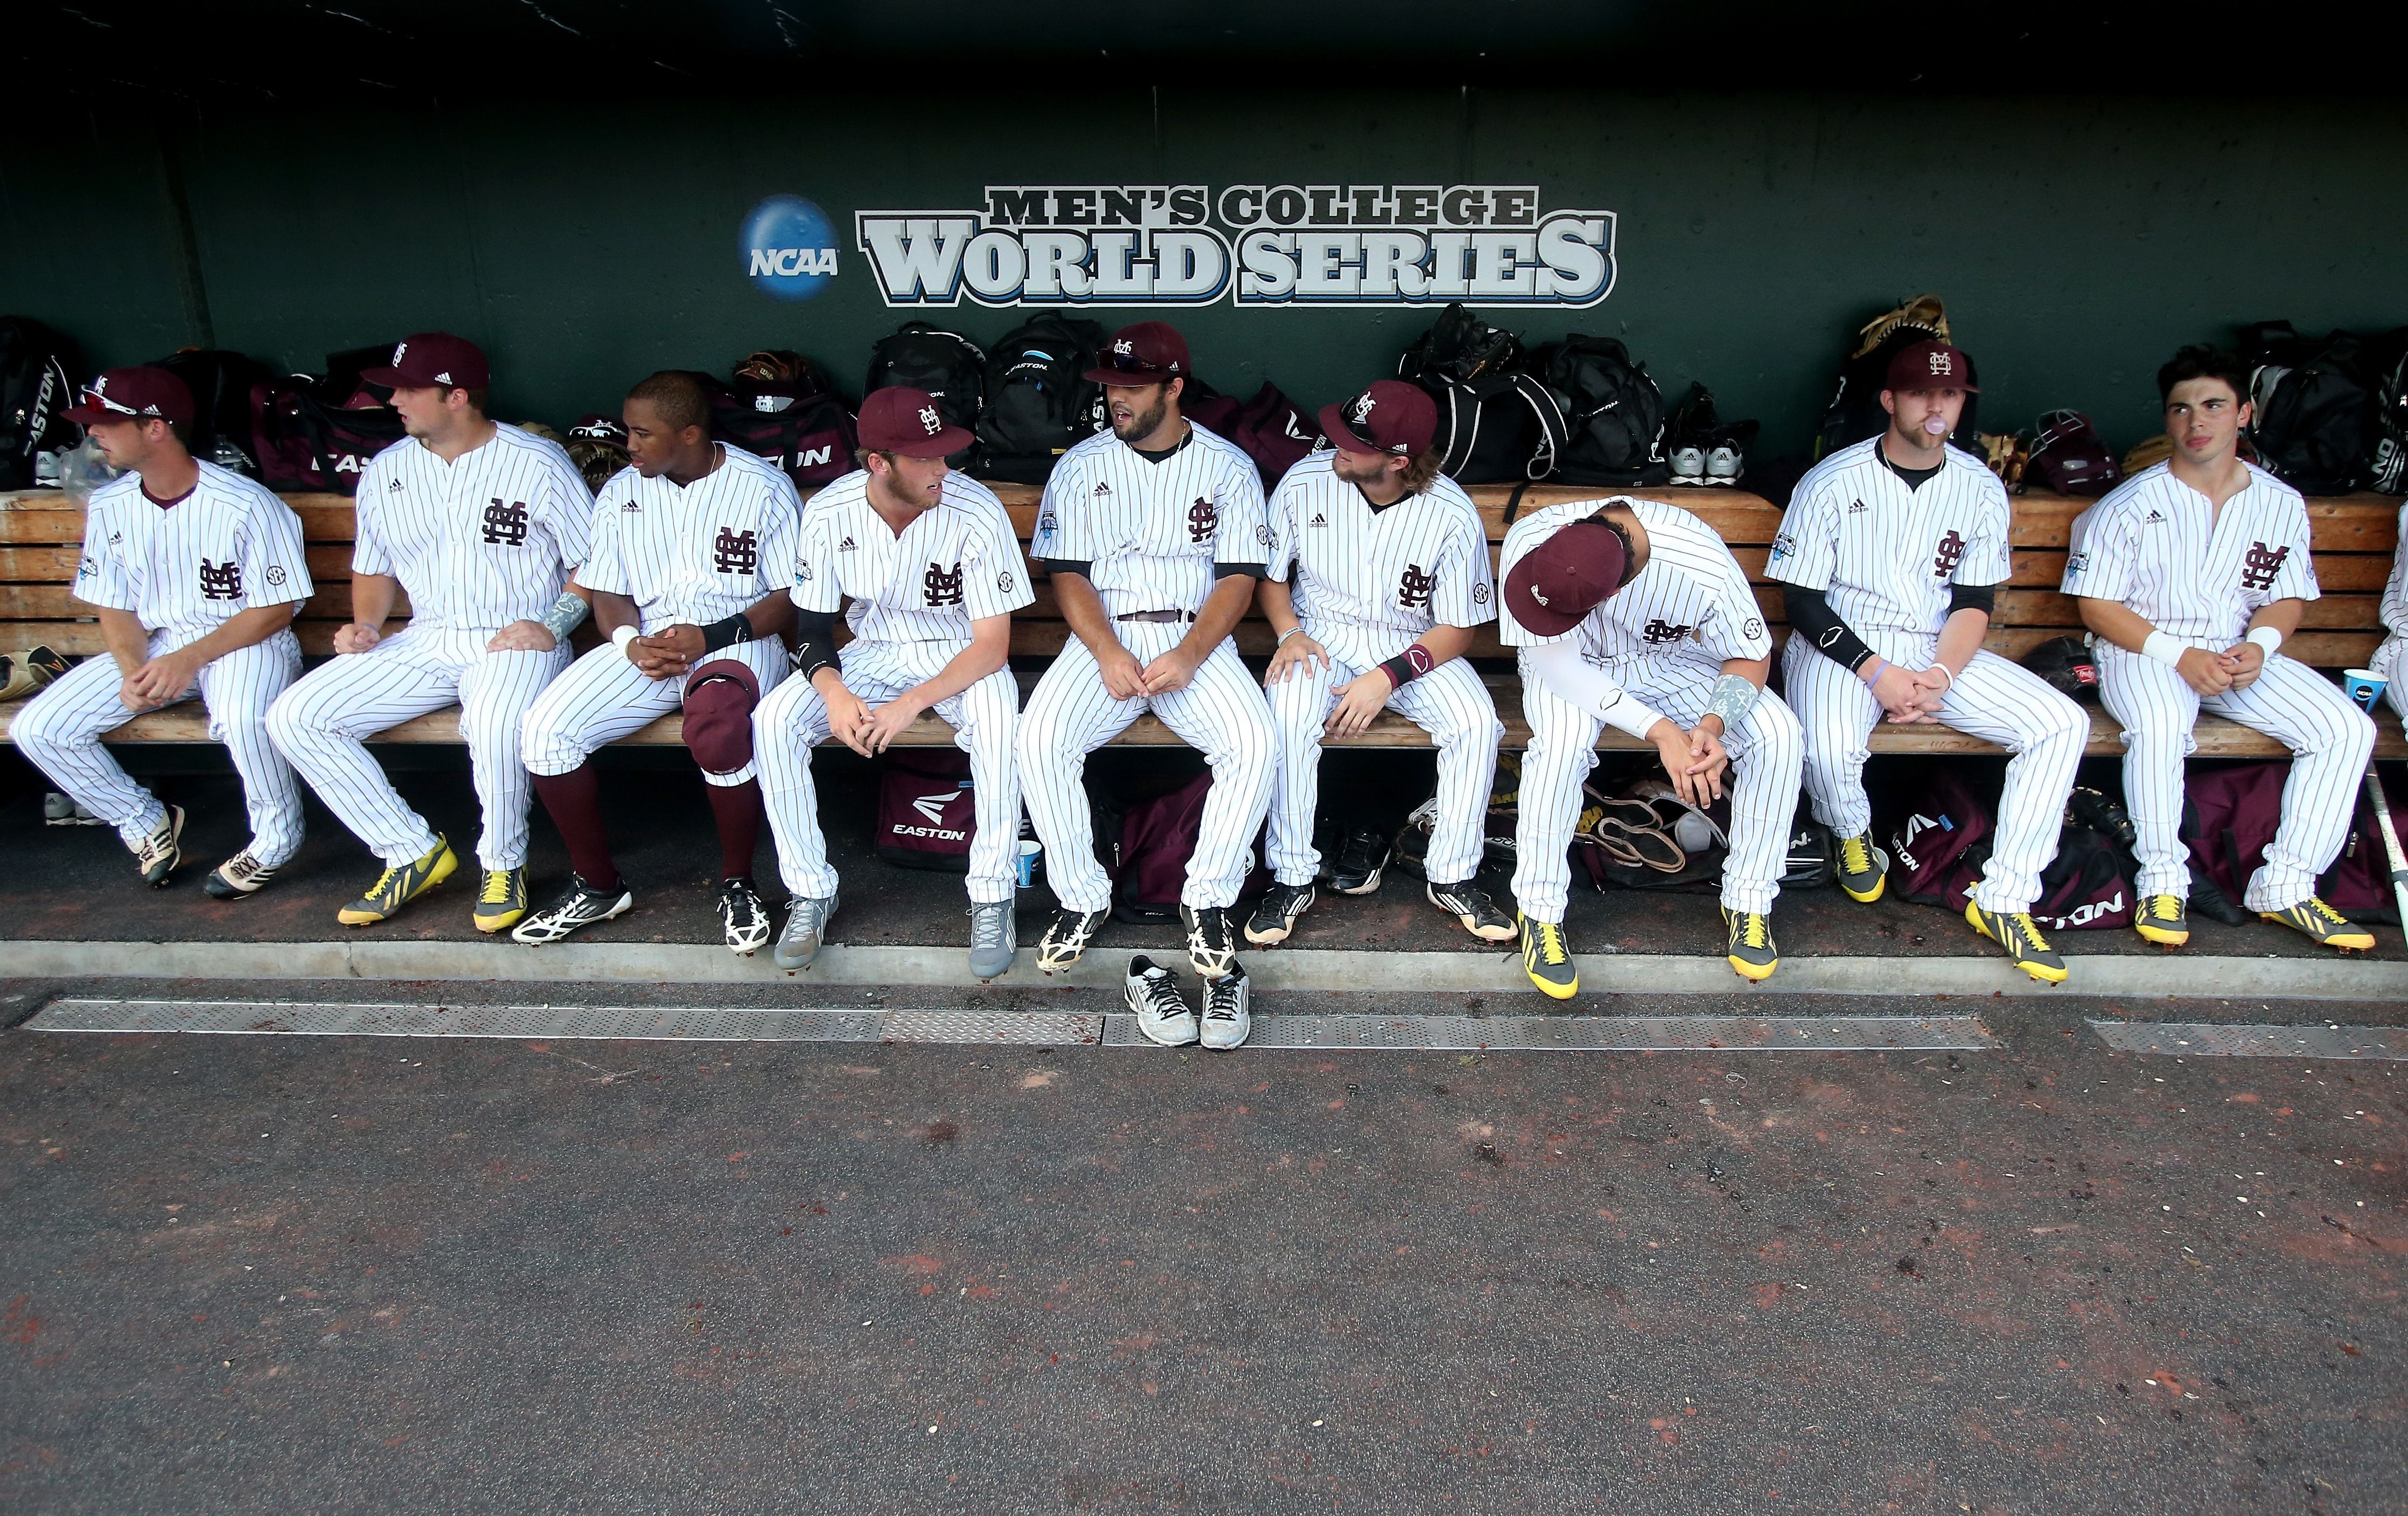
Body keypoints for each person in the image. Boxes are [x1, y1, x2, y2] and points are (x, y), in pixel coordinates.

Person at [1771, 339, 2088, 983]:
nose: (1936, 405)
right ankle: (1851, 830)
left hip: (1933, 644)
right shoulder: (1832, 480)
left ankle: (2005, 898)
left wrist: (1940, 675)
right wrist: (1878, 674)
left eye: (1949, 394)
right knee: (1828, 748)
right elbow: (1801, 601)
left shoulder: (1978, 486)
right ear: (1890, 401)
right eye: (1920, 393)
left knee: (2060, 724)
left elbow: (1973, 601)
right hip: (1841, 643)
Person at [266, 333, 595, 933]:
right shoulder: (387, 469)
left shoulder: (537, 463)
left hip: (513, 634)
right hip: (426, 636)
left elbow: (592, 562)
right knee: (296, 715)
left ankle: (503, 863)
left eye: (411, 389)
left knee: (494, 724)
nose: (394, 400)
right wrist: (366, 625)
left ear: (458, 397)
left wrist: (553, 624)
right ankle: (409, 850)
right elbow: (373, 566)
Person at [2063, 345, 2378, 950]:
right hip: (2144, 650)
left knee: (2344, 729)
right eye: (2180, 410)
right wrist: (2178, 656)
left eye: (2212, 406)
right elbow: (2097, 607)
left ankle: (2285, 885)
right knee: (2158, 727)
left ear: (2244, 413)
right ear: (2166, 419)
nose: (2195, 422)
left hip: (2234, 652)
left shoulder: (2279, 502)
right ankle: (2163, 881)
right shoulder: (2127, 505)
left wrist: (2260, 645)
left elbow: (2287, 597)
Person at [1015, 321, 1273, 1051]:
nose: (1115, 398)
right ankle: (1080, 895)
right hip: (1106, 635)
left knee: (1254, 743)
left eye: (1131, 385)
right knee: (1037, 738)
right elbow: (1066, 572)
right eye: (1109, 386)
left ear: (1173, 387)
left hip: (1194, 638)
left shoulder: (1227, 468)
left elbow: (1237, 579)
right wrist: (1102, 650)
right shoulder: (1081, 465)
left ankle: (1208, 898)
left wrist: (1191, 654)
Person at [513, 370, 798, 951]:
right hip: (648, 644)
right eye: (628, 431)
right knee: (545, 731)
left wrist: (712, 636)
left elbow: (792, 598)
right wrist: (627, 643)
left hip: (737, 638)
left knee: (718, 727)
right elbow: (607, 588)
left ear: (689, 433)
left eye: (643, 433)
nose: (630, 445)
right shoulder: (621, 491)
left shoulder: (762, 487)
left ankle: (738, 882)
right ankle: (597, 886)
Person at [754, 387, 1034, 978]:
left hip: (960, 653)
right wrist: (833, 693)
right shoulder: (830, 512)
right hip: (874, 648)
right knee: (774, 721)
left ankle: (991, 894)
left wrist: (909, 705)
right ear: (879, 463)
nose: (942, 469)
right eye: (925, 458)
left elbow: (991, 647)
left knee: (999, 725)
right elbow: (810, 626)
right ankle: (810, 890)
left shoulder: (973, 509)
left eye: (944, 454)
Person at [12, 367, 310, 894]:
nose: (94, 434)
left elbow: (275, 610)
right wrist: (133, 671)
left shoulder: (248, 503)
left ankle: (275, 840)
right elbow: (115, 606)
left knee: (243, 719)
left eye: (107, 422)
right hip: (160, 642)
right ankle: (142, 820)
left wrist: (188, 660)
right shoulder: (110, 505)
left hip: (244, 640)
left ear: (156, 428)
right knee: (39, 728)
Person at [1498, 495, 1804, 992]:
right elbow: (1560, 668)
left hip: (1667, 663)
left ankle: (1749, 899)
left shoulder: (1698, 563)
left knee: (1779, 734)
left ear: (1613, 593)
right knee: (1561, 745)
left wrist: (1712, 726)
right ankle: (1539, 911)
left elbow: (1749, 657)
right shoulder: (1537, 539)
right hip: (1572, 665)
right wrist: (1662, 732)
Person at [1247, 379, 1510, 948]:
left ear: (1398, 460)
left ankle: (1453, 874)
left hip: (1413, 643)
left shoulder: (1450, 512)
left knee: (1477, 725)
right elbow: (1270, 577)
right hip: (1318, 633)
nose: (1335, 443)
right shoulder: (1305, 480)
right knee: (1288, 718)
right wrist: (1289, 633)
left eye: (1353, 441)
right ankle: (1291, 875)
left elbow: (1459, 626)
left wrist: (1387, 676)